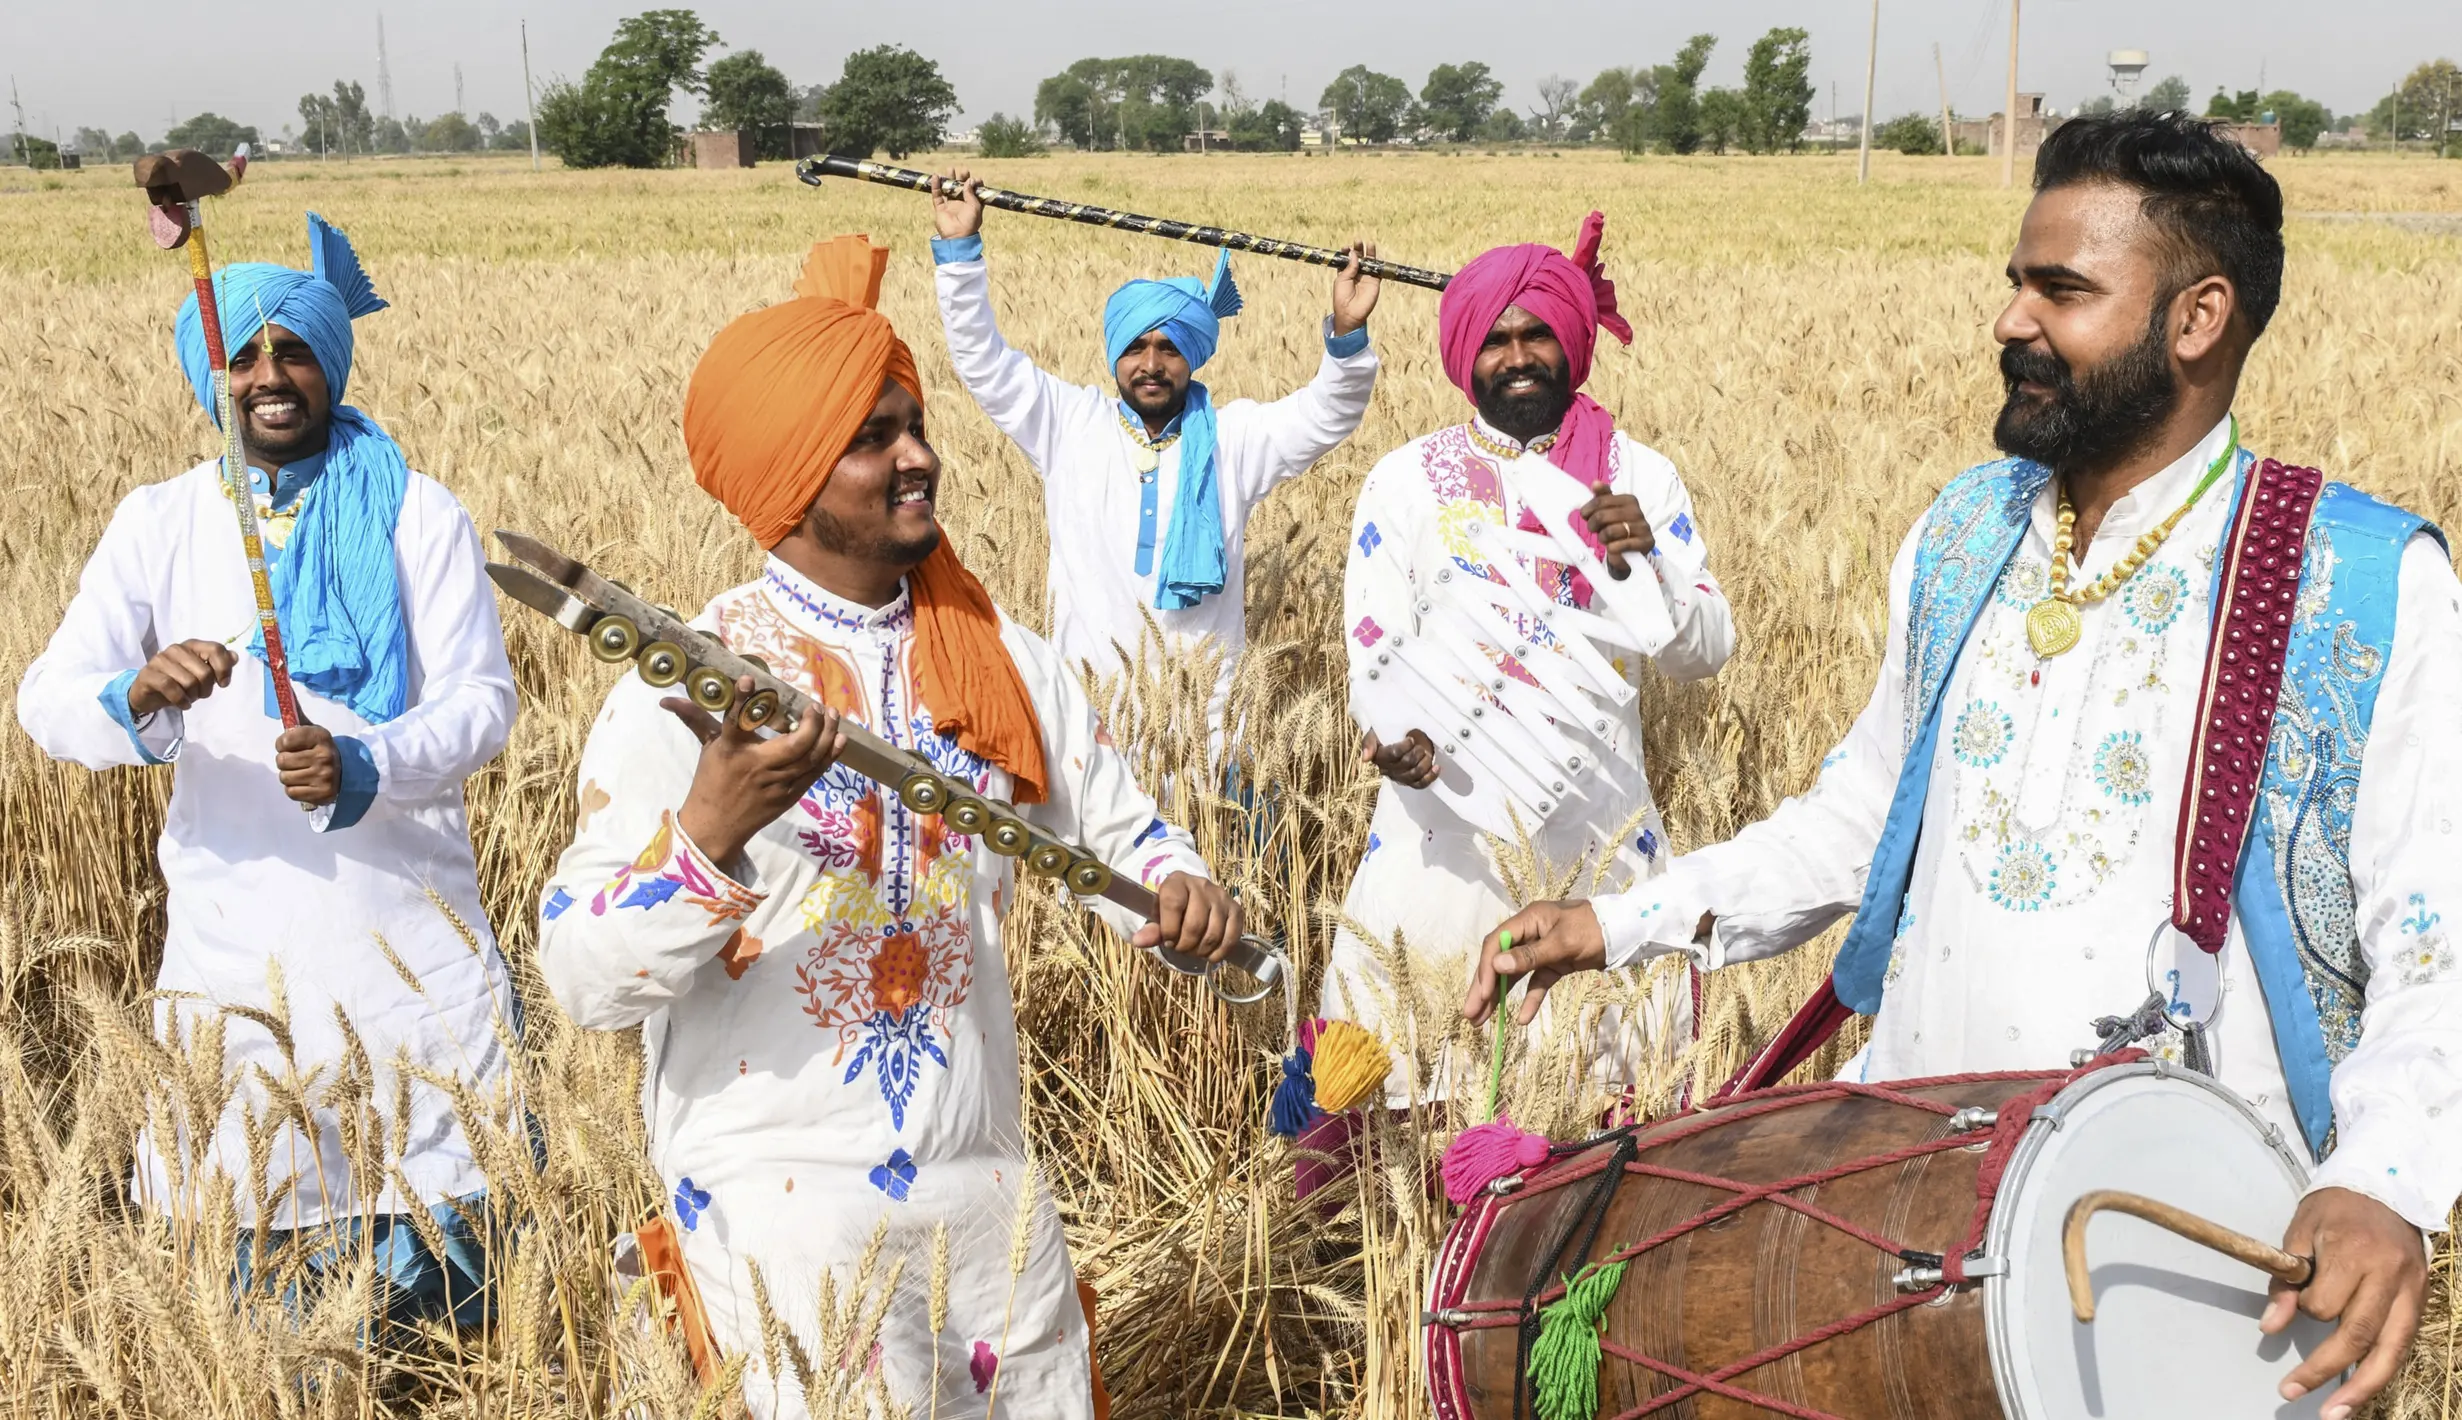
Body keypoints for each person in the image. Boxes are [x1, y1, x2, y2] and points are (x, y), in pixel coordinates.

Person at [1464, 113, 2458, 1420]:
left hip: (2191, 1280)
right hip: (1890, 1235)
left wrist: (2380, 1185)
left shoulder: (2360, 582)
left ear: (2196, 318)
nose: (2010, 320)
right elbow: (1863, 817)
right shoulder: (1961, 533)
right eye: (2013, 280)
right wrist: (1621, 920)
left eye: (2061, 290)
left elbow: (2434, 941)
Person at [537, 234, 1245, 1420]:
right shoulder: (688, 682)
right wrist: (710, 832)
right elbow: (581, 974)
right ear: (791, 474)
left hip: (986, 1206)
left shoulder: (997, 656)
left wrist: (1178, 889)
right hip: (783, 1223)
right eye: (874, 438)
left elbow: (1121, 832)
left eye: (913, 424)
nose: (920, 457)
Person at [16, 214, 518, 1324]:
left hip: (407, 955)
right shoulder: (156, 524)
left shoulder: (417, 513)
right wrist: (137, 697)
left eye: (292, 350)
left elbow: (485, 705)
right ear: (213, 376)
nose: (269, 377)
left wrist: (364, 760)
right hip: (238, 959)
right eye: (242, 356)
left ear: (328, 362)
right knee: (260, 1292)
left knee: (443, 1292)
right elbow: (46, 701)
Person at [1328, 211, 1734, 1109]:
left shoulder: (1641, 476)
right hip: (1439, 837)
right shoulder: (1403, 481)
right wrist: (1400, 743)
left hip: (1599, 839)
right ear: (1465, 352)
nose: (1517, 356)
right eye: (1498, 339)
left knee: (1601, 1110)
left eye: (1537, 335)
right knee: (1404, 1102)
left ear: (1572, 339)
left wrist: (1655, 573)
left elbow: (1707, 651)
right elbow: (1373, 649)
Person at [927, 169, 1382, 734]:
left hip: (1204, 724)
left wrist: (1346, 333)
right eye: (1136, 347)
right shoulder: (1068, 425)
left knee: (1203, 825)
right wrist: (958, 253)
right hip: (1086, 717)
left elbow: (1326, 414)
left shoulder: (1232, 440)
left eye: (1169, 348)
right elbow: (983, 361)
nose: (1151, 364)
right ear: (1115, 354)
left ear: (1192, 356)